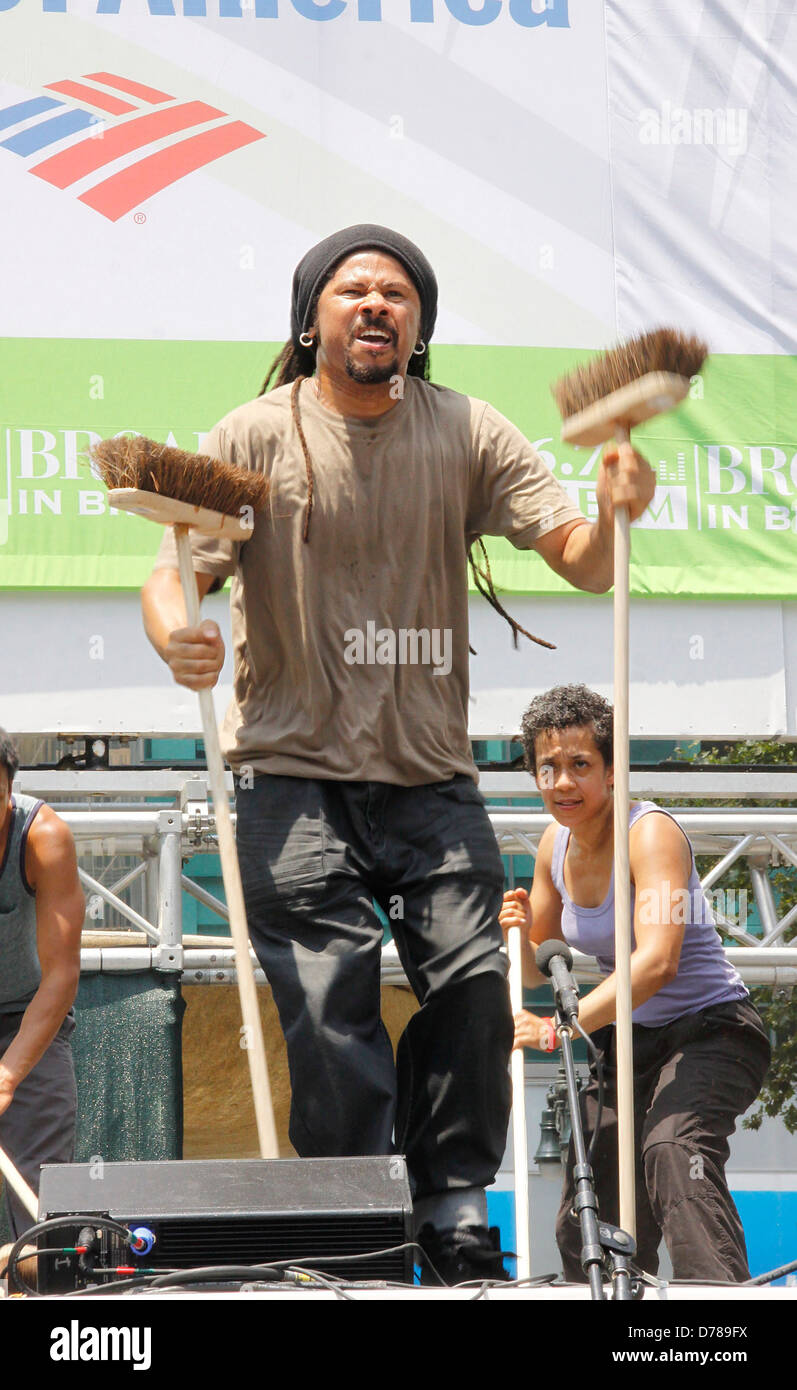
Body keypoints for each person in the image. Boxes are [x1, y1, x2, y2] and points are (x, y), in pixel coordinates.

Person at [141, 224, 656, 1283]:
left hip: (430, 780)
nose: (374, 305)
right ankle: (355, 1214)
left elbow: (579, 560)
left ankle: (452, 1200)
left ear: (417, 323)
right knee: (329, 1003)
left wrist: (613, 515)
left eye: (395, 294)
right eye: (352, 290)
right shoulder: (251, 432)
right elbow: (171, 575)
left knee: (474, 985)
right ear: (311, 315)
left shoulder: (466, 429)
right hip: (291, 779)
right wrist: (173, 634)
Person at [500, 684, 771, 1282]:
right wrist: (518, 936)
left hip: (714, 1030)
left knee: (674, 1150)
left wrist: (557, 1029)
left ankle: (721, 1317)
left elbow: (657, 964)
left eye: (579, 765)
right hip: (630, 1041)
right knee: (586, 1201)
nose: (562, 783)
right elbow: (537, 969)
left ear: (613, 770)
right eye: (547, 768)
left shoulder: (649, 835)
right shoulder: (554, 844)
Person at [0, 728, 83, 1241]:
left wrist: (6, 1078)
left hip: (30, 1022)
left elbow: (61, 975)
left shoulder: (44, 836)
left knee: (44, 1227)